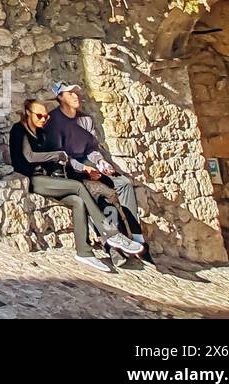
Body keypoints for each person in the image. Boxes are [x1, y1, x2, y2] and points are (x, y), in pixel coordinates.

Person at [9, 99, 141, 271]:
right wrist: (58, 155)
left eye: (46, 117)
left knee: (78, 201)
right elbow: (29, 157)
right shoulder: (19, 130)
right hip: (33, 179)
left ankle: (84, 252)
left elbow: (55, 157)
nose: (43, 119)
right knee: (78, 187)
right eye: (39, 116)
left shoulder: (42, 134)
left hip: (50, 179)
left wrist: (67, 162)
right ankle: (109, 232)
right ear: (28, 113)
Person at [41, 82, 153, 266]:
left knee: (123, 182)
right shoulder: (53, 122)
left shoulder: (85, 120)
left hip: (88, 162)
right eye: (70, 94)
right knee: (94, 195)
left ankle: (138, 238)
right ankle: (113, 246)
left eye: (76, 93)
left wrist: (101, 163)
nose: (76, 96)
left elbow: (92, 149)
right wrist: (84, 169)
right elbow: (59, 155)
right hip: (69, 168)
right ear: (60, 97)